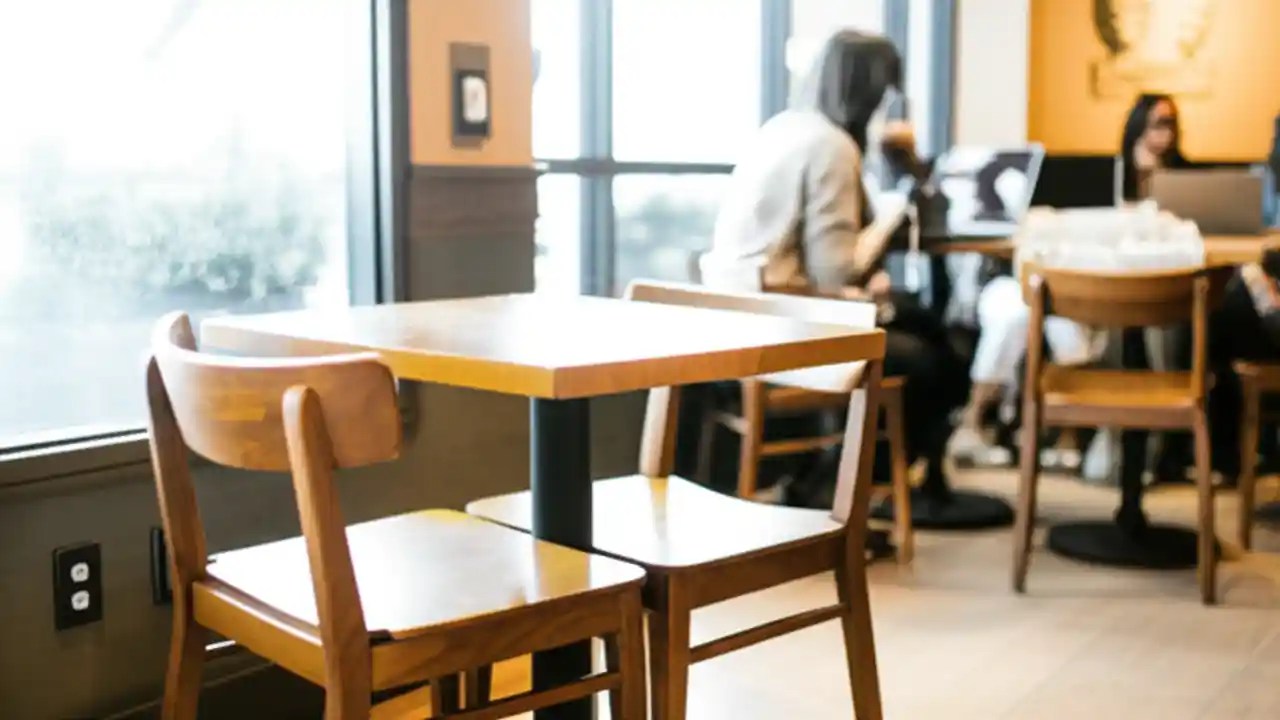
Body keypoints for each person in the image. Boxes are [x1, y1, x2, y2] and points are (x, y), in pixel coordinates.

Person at [703, 30, 967, 507]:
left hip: (739, 322)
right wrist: (892, 210)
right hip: (781, 332)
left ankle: (830, 480)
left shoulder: (784, 127)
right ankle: (835, 491)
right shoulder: (831, 146)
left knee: (924, 327)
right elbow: (837, 273)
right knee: (936, 364)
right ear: (871, 92)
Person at [1120, 93, 1190, 201]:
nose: (1168, 131)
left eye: (1171, 123)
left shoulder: (1183, 169)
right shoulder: (1119, 172)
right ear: (1140, 123)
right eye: (1160, 123)